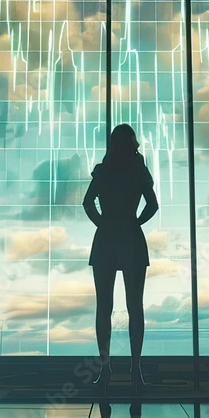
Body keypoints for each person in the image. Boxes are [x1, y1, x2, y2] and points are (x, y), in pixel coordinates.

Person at [83, 124, 158, 391]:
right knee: (134, 306)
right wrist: (135, 221)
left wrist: (102, 223)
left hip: (106, 240)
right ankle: (135, 369)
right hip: (131, 239)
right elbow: (153, 205)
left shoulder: (103, 171)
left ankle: (106, 370)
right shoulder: (138, 170)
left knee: (104, 307)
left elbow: (87, 202)